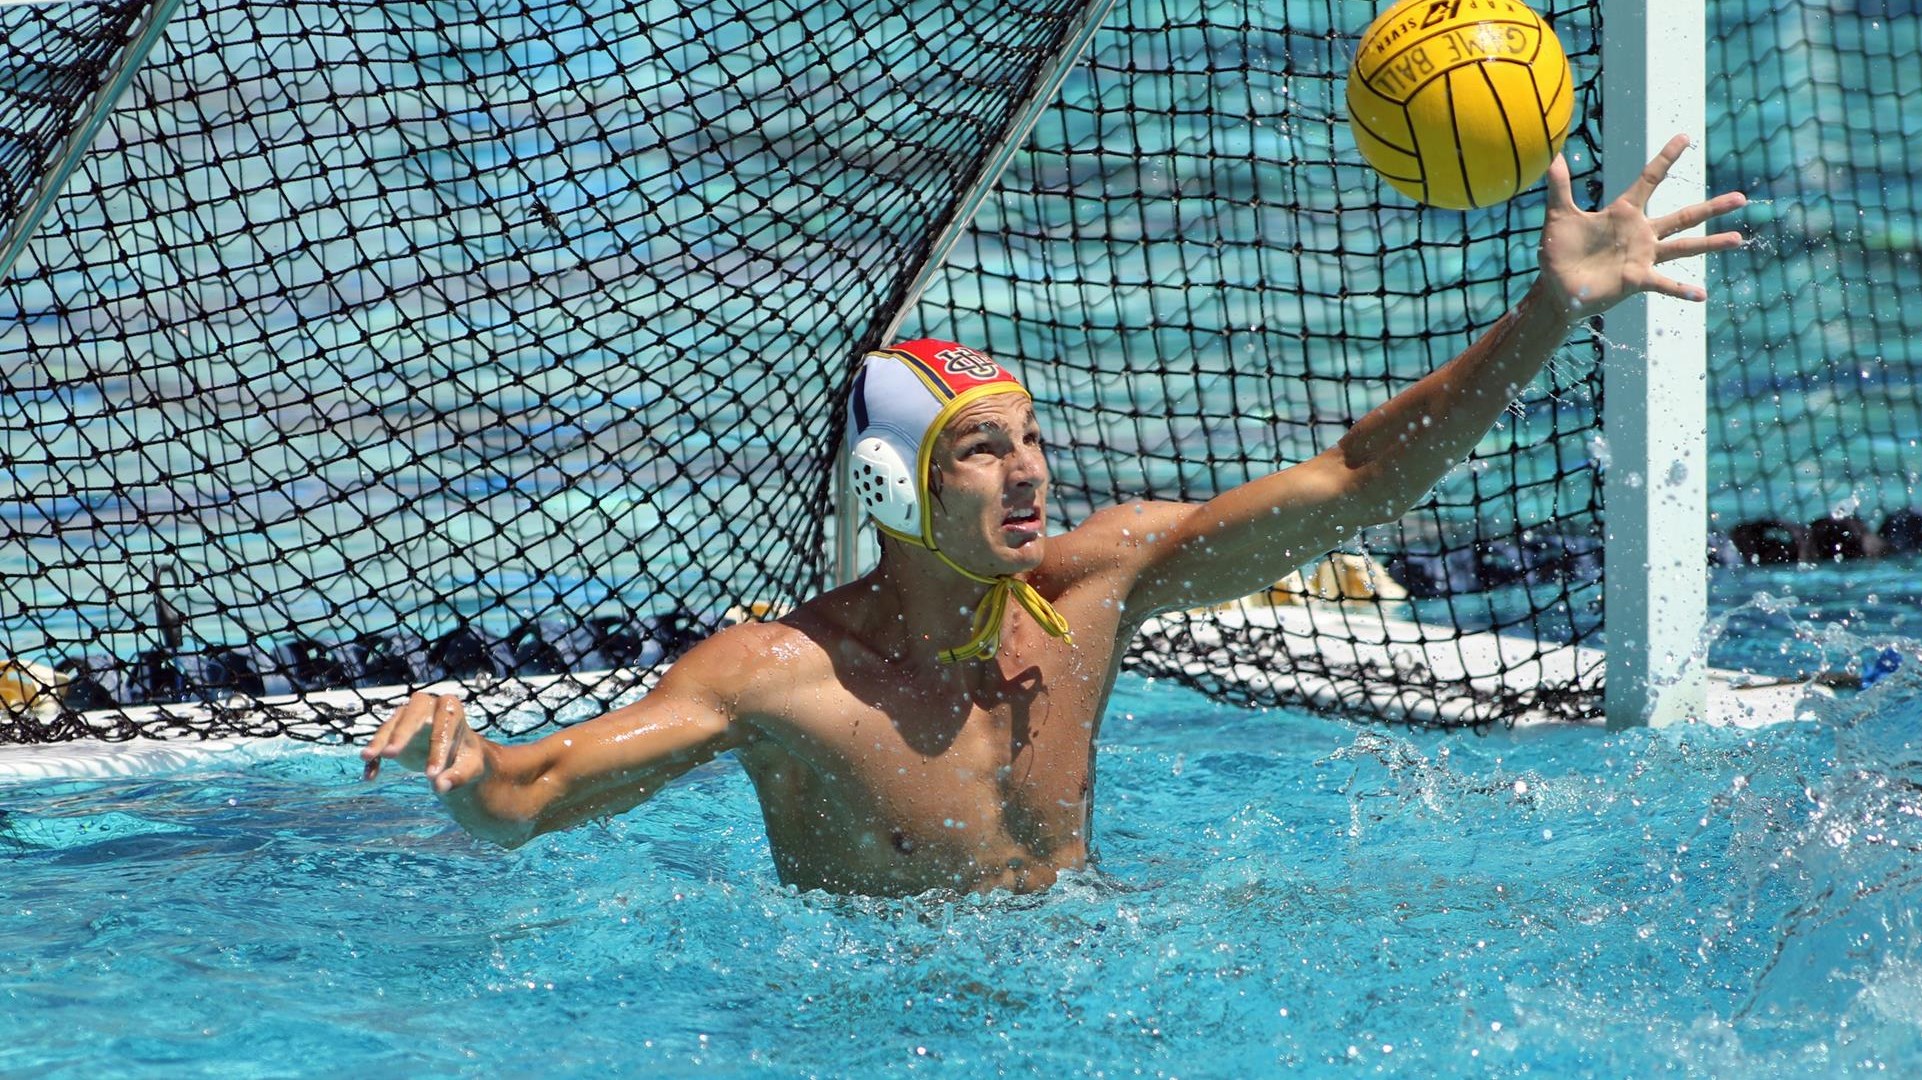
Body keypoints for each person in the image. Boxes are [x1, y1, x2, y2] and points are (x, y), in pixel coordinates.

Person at [362, 139, 1746, 896]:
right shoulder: (781, 684)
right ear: (897, 491)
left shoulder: (1097, 590)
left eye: (1029, 438)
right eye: (979, 450)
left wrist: (1546, 311)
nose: (1028, 471)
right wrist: (465, 757)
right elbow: (530, 802)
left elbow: (1349, 487)